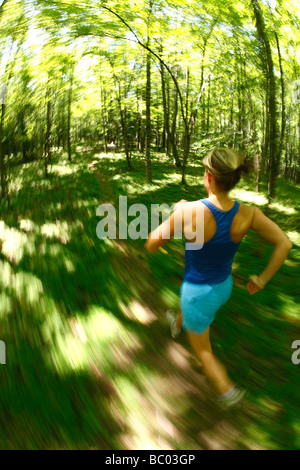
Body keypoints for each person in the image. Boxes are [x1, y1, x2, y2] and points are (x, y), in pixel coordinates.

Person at [145, 147, 292, 408]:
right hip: (222, 287)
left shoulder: (188, 211)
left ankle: (227, 391)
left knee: (203, 349)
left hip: (197, 292)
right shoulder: (249, 214)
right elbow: (284, 243)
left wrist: (174, 215)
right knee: (195, 310)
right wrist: (263, 279)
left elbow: (151, 244)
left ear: (209, 177)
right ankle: (178, 323)